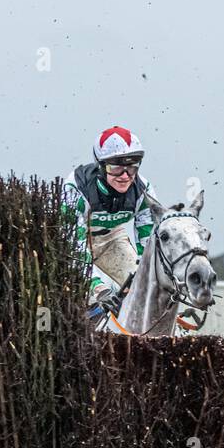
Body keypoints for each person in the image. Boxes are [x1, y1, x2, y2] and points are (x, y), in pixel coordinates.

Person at [61, 126, 160, 314]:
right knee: (93, 298)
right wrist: (98, 289)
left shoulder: (143, 189)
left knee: (145, 289)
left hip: (112, 240)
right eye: (116, 168)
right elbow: (74, 244)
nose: (124, 176)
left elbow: (148, 243)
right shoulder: (76, 186)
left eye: (131, 168)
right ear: (100, 166)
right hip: (75, 245)